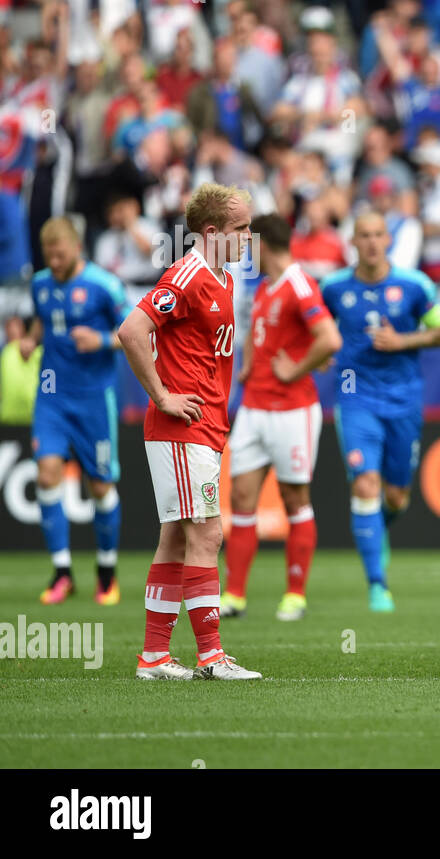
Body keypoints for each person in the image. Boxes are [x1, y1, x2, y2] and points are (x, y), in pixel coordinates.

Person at [117, 183, 262, 680]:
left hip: (205, 426)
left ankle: (154, 657)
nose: (249, 236)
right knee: (208, 534)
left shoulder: (223, 277)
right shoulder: (186, 275)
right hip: (183, 426)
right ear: (212, 231)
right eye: (242, 228)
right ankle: (211, 656)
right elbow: (132, 331)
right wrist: (162, 396)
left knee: (176, 540)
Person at [321, 212, 440, 612]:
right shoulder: (334, 287)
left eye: (379, 235)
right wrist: (321, 352)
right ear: (353, 241)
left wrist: (404, 340)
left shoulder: (415, 285)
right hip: (355, 398)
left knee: (395, 495)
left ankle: (376, 528)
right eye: (365, 235)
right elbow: (315, 327)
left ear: (388, 241)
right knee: (365, 485)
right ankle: (378, 585)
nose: (372, 242)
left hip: (404, 400)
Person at [220, 214, 341, 621]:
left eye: (249, 242)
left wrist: (298, 367)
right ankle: (234, 595)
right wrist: (250, 366)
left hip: (292, 411)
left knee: (294, 500)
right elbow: (266, 339)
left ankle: (295, 594)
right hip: (253, 407)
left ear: (263, 245)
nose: (246, 250)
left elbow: (330, 339)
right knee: (240, 499)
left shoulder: (298, 283)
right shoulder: (266, 288)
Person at [27, 218, 129, 605]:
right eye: (48, 253)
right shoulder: (40, 283)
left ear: (76, 248)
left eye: (60, 253)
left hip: (93, 398)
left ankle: (106, 573)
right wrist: (29, 341)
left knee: (100, 486)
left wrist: (102, 339)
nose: (53, 260)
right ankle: (62, 572)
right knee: (47, 473)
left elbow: (136, 330)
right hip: (52, 394)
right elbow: (43, 321)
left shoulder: (104, 285)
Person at [0, 316, 41, 425]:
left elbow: (50, 386)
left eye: (16, 327)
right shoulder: (5, 353)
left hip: (34, 419)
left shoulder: (40, 354)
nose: (13, 331)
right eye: (9, 329)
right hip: (8, 419)